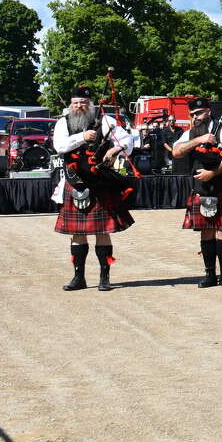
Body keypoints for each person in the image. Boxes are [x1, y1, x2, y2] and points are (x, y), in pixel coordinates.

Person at [52, 86, 135, 292]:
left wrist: (116, 149)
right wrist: (83, 137)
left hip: (100, 182)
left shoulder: (105, 121)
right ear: (71, 105)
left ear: (91, 104)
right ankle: (78, 277)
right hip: (75, 181)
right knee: (77, 233)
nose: (80, 106)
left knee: (102, 231)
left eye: (84, 102)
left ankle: (104, 278)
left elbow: (128, 140)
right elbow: (60, 146)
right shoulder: (63, 123)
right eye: (76, 103)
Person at [171, 98, 222, 288]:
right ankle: (209, 275)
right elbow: (177, 152)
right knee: (206, 233)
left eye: (198, 113)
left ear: (208, 112)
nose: (194, 118)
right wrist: (199, 140)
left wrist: (213, 173)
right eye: (191, 115)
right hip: (201, 190)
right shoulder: (189, 133)